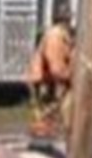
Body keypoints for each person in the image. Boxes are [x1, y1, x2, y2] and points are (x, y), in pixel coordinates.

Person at [24, 8, 74, 143]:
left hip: (49, 79)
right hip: (43, 80)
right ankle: (42, 141)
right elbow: (55, 65)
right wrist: (71, 77)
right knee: (46, 113)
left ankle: (46, 137)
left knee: (52, 112)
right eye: (68, 19)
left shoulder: (62, 35)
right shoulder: (55, 35)